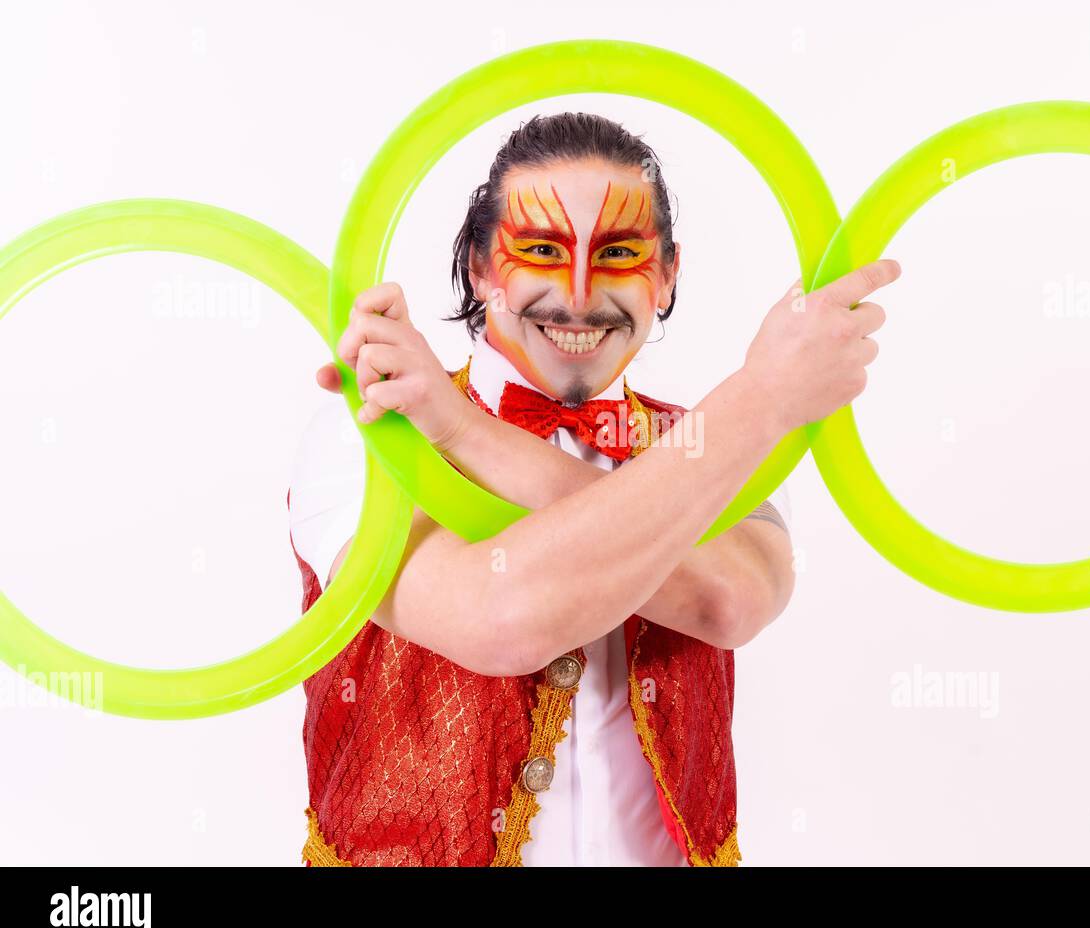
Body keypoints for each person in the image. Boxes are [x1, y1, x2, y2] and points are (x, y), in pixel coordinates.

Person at [287, 112, 897, 866]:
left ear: (668, 273)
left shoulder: (715, 445)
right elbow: (501, 618)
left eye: (619, 254)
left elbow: (728, 601)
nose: (578, 295)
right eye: (541, 250)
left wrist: (469, 435)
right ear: (481, 268)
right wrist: (765, 395)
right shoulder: (369, 432)